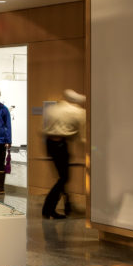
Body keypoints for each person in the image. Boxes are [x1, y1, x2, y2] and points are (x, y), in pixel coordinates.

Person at [42, 89, 86, 220]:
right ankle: (48, 208)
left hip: (49, 143)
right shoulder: (79, 112)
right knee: (64, 178)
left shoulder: (52, 109)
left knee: (62, 177)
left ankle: (67, 206)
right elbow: (81, 137)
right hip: (61, 144)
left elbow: (44, 128)